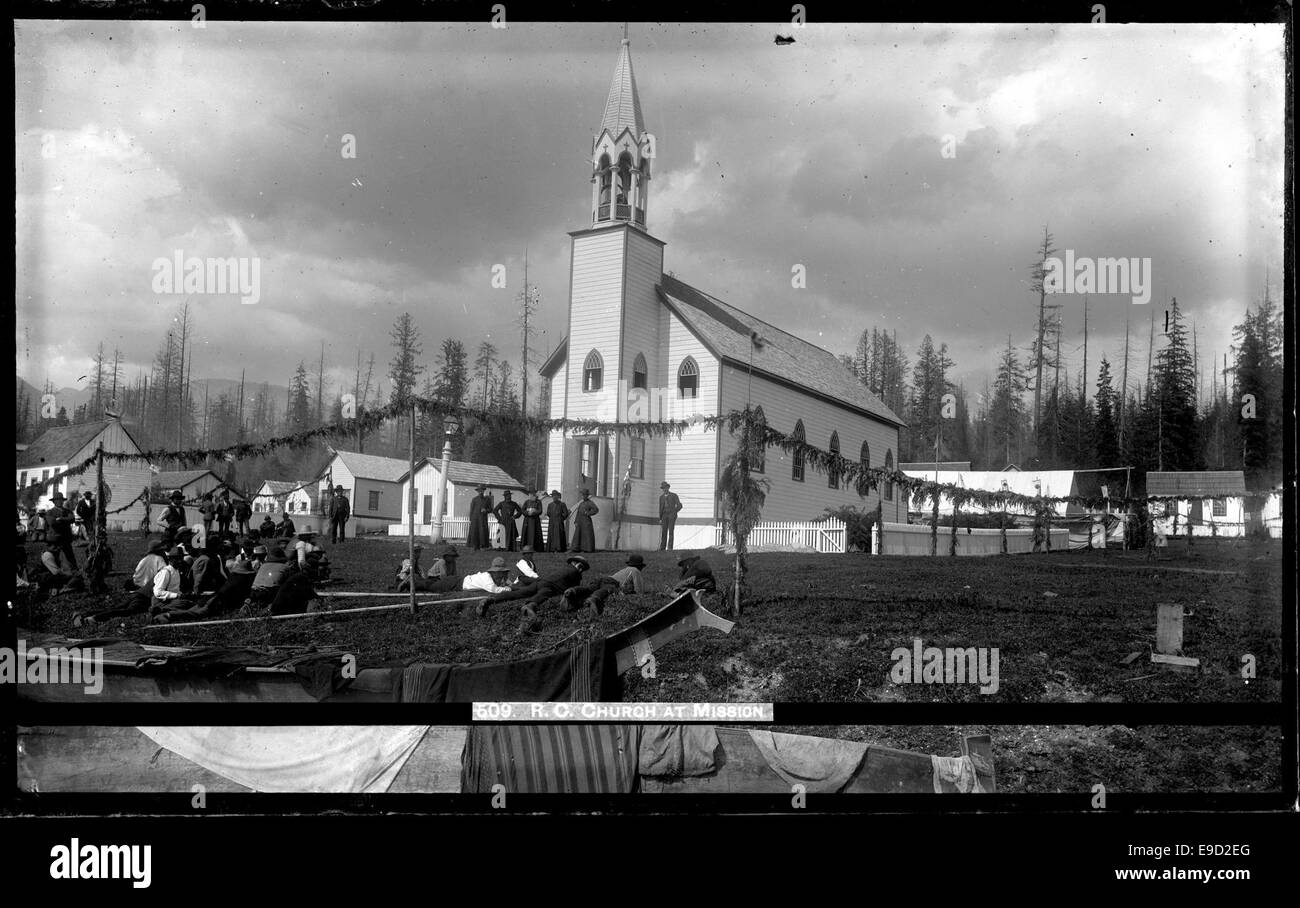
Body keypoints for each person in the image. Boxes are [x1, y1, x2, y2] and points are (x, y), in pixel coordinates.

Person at [75, 540, 169, 627]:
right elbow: (163, 575)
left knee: (118, 607)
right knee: (127, 611)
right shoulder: (160, 560)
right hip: (145, 595)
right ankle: (93, 618)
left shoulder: (144, 560)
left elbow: (135, 576)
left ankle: (84, 614)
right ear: (160, 551)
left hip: (138, 590)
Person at [476, 555, 590, 619]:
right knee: (542, 595)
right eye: (581, 567)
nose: (580, 570)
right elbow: (575, 589)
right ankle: (529, 606)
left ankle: (491, 599)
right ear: (577, 565)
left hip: (541, 582)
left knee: (519, 593)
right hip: (550, 587)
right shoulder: (576, 574)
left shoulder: (563, 568)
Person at [148, 546, 193, 617]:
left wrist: (184, 594)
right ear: (170, 559)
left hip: (171, 600)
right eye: (177, 559)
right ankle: (160, 610)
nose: (180, 561)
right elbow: (158, 592)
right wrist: (176, 595)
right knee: (184, 604)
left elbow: (175, 589)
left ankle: (163, 610)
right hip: (161, 601)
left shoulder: (176, 570)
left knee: (188, 603)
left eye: (181, 558)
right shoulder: (165, 572)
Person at [44, 492, 78, 570]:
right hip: (55, 538)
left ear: (63, 501)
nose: (59, 502)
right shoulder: (50, 512)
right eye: (57, 500)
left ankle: (75, 570)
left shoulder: (68, 511)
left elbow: (72, 519)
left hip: (66, 537)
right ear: (54, 502)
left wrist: (60, 519)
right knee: (53, 555)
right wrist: (65, 521)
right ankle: (54, 571)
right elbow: (52, 523)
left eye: (61, 500)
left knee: (70, 556)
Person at [467, 484, 493, 550]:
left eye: (482, 490)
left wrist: (486, 510)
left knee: (482, 532)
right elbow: (472, 509)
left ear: (483, 491)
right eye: (479, 491)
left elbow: (491, 509)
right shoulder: (474, 499)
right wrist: (471, 519)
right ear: (477, 492)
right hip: (475, 519)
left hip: (482, 519)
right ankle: (474, 545)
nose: (480, 492)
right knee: (474, 531)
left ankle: (482, 546)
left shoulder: (487, 499)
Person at [658, 482, 682, 551]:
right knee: (664, 532)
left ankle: (670, 548)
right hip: (664, 515)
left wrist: (674, 512)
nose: (664, 489)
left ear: (668, 488)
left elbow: (680, 505)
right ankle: (662, 548)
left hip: (671, 515)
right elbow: (660, 508)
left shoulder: (674, 495)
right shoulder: (661, 497)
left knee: (671, 531)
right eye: (663, 488)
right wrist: (660, 518)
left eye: (665, 487)